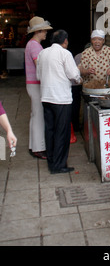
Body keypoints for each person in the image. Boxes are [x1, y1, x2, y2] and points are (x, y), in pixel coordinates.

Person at [36, 29, 82, 174]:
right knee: (62, 131)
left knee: (50, 130)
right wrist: (79, 77)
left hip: (46, 97)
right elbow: (73, 74)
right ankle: (59, 165)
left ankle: (51, 161)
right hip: (61, 98)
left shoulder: (42, 53)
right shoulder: (65, 53)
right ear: (65, 41)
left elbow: (38, 75)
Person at [25, 16, 52, 160]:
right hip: (36, 85)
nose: (46, 33)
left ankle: (33, 146)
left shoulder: (31, 44)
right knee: (39, 116)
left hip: (32, 84)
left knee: (34, 115)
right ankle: (39, 148)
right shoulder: (35, 45)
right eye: (45, 31)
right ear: (39, 31)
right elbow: (39, 66)